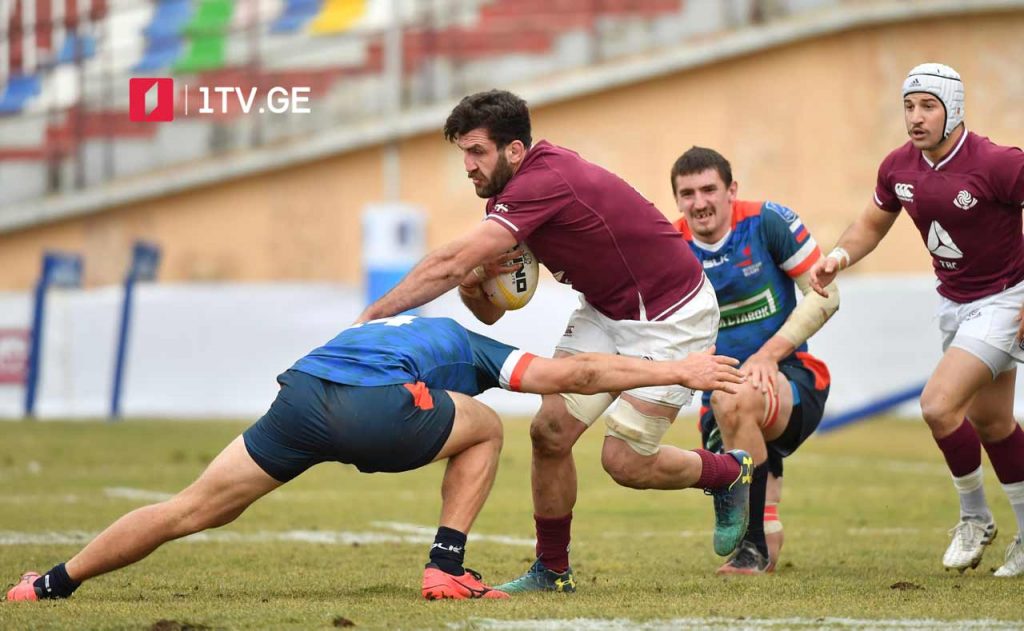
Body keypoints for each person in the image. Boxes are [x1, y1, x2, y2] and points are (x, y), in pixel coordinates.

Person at [5, 315, 745, 603]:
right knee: (487, 426)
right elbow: (576, 376)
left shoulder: (401, 324)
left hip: (303, 393)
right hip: (376, 404)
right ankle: (446, 563)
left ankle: (49, 583)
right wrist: (676, 371)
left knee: (189, 509)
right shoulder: (476, 346)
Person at [356, 89, 751, 593]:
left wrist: (372, 314)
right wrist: (475, 285)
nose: (468, 166)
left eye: (477, 152)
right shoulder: (507, 197)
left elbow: (448, 262)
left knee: (624, 462)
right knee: (548, 433)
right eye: (464, 154)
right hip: (605, 311)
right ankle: (552, 571)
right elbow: (490, 311)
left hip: (672, 314)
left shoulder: (543, 182)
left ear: (514, 151)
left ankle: (726, 471)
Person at [809, 63, 1024, 577]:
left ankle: (975, 518)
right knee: (992, 423)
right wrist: (837, 257)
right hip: (954, 302)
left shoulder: (997, 162)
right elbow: (870, 223)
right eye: (909, 106)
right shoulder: (898, 168)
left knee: (938, 406)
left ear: (953, 109)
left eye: (928, 105)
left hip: (1004, 300)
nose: (916, 116)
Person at [671, 146, 838, 574]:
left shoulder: (768, 222)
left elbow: (826, 297)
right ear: (677, 200)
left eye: (709, 189)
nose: (700, 202)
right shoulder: (671, 247)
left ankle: (750, 546)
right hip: (723, 402)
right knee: (729, 400)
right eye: (687, 193)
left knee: (735, 396)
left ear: (731, 191)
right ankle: (763, 525)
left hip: (793, 382)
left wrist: (767, 355)